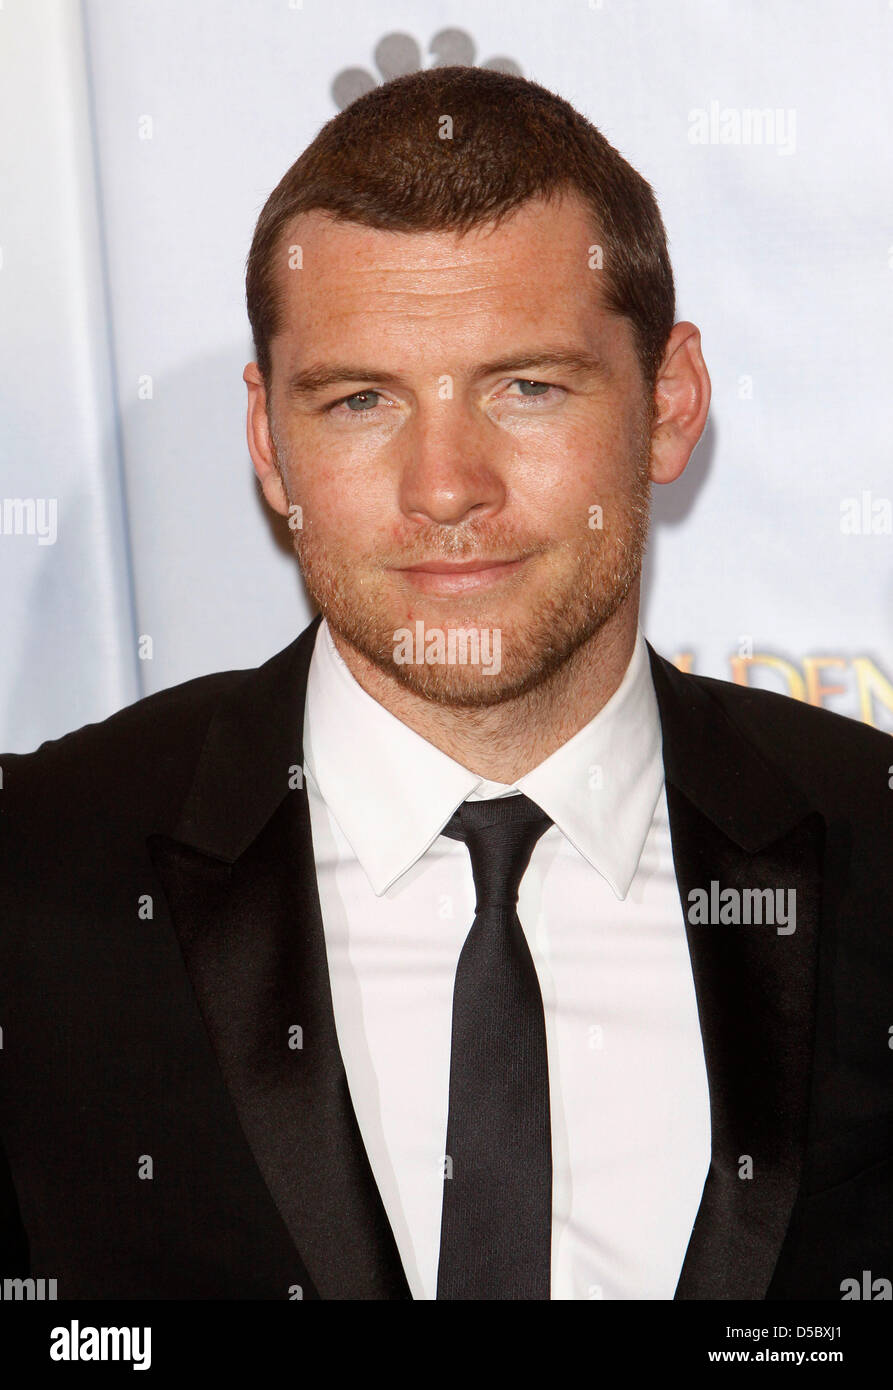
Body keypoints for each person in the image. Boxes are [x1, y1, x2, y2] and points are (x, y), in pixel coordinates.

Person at [0, 65, 890, 1302]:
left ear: (668, 403)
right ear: (268, 442)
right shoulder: (35, 871)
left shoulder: (872, 846)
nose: (444, 486)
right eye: (361, 399)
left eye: (525, 386)